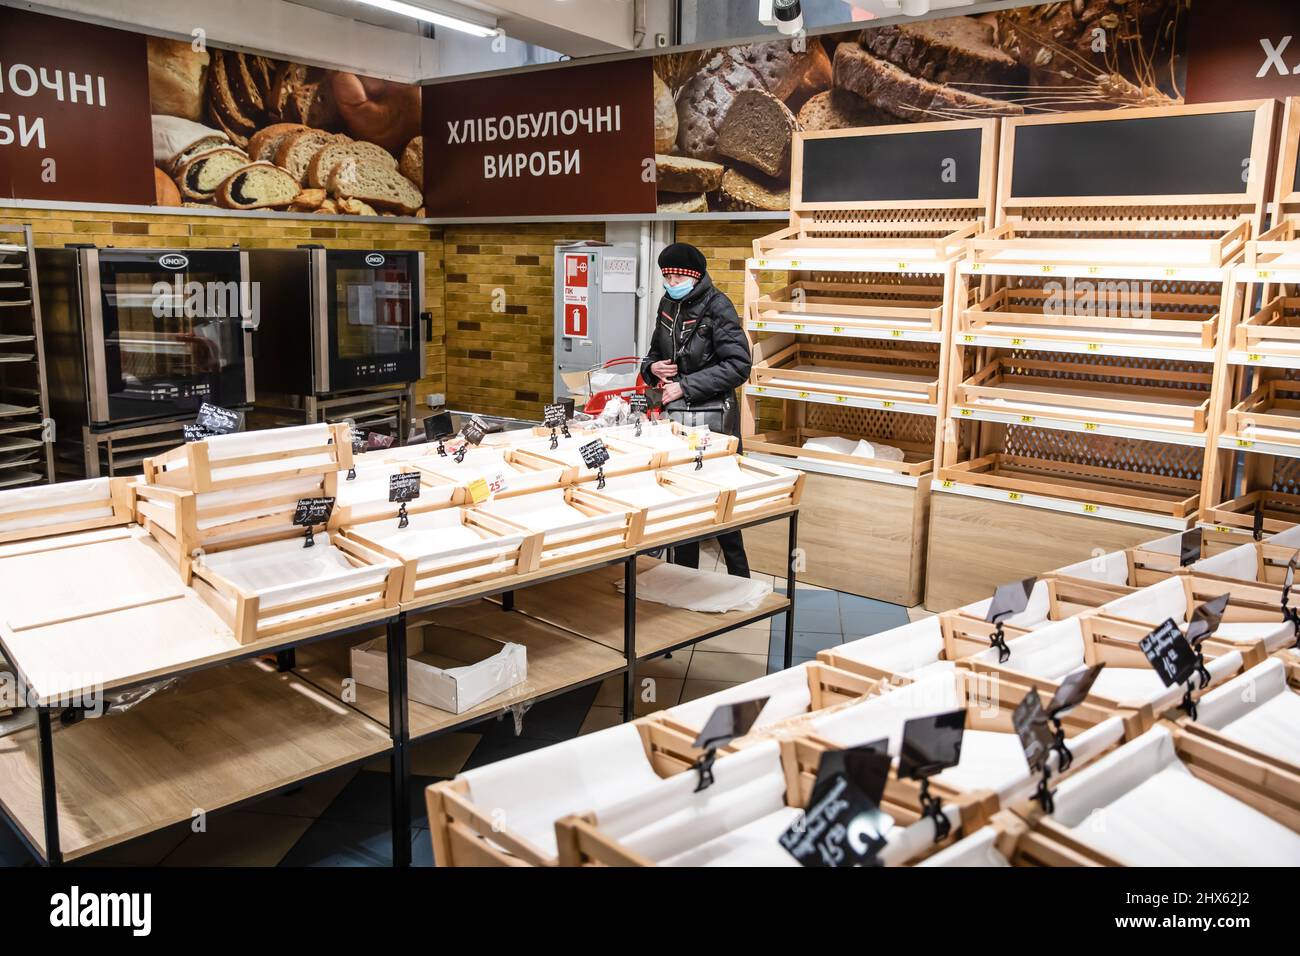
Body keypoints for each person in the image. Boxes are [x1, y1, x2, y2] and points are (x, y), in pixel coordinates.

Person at [641, 242, 753, 577]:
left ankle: (740, 579)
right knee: (683, 503)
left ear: (693, 276)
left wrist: (686, 386)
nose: (671, 282)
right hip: (677, 421)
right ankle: (685, 580)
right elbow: (652, 353)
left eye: (677, 276)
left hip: (713, 423)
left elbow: (739, 365)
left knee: (722, 504)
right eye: (666, 276)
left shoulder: (718, 307)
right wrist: (653, 369)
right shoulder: (667, 304)